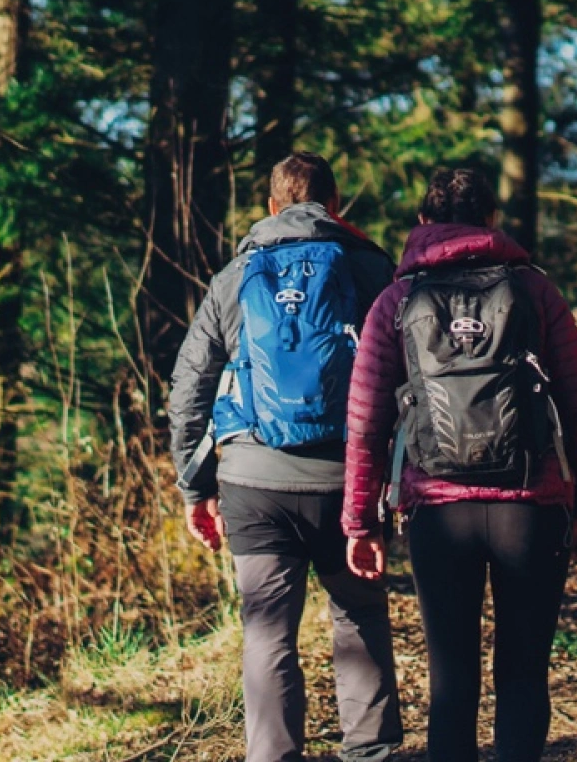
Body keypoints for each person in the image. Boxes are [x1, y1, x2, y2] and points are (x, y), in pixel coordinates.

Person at [340, 167, 577, 762]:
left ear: (422, 224)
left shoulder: (397, 300)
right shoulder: (535, 290)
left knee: (452, 679)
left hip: (439, 512)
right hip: (532, 508)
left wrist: (361, 521)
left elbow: (364, 421)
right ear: (492, 220)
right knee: (522, 671)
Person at [170, 152, 403, 762]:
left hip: (252, 479)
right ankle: (371, 753)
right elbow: (409, 373)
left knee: (266, 633)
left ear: (270, 207)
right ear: (336, 205)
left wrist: (197, 488)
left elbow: (188, 387)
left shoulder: (237, 274)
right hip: (345, 481)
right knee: (358, 619)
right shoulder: (370, 267)